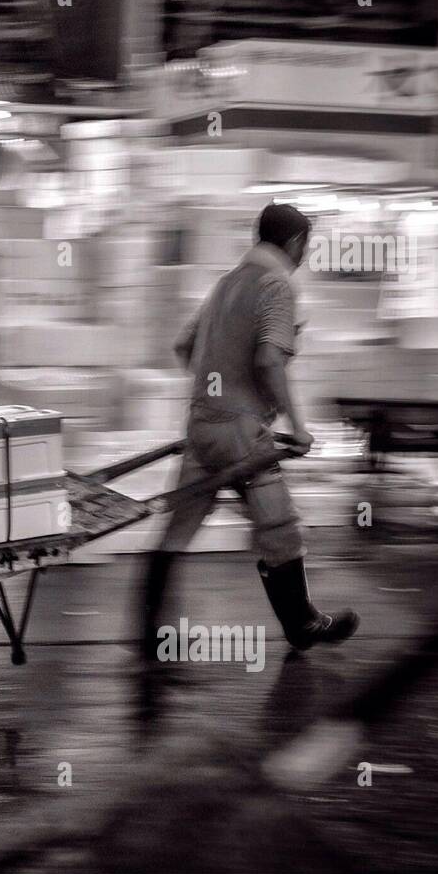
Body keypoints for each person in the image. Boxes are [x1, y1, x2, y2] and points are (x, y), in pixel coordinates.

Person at [141, 202, 359, 655]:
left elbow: (183, 346)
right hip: (242, 434)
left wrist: (216, 389)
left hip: (201, 427)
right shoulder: (277, 284)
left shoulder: (225, 284)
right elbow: (268, 360)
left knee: (176, 533)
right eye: (308, 245)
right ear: (297, 242)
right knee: (279, 528)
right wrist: (297, 426)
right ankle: (302, 624)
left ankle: (147, 633)